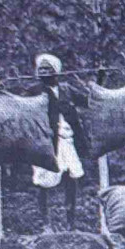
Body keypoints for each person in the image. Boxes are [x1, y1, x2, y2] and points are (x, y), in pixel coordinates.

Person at [31, 53, 90, 230]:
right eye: (40, 69)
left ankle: (71, 223)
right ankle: (45, 223)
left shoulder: (67, 89)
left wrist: (100, 80)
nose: (43, 72)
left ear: (56, 71)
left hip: (68, 140)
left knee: (71, 178)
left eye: (47, 69)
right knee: (42, 181)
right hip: (45, 142)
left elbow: (89, 100)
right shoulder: (34, 91)